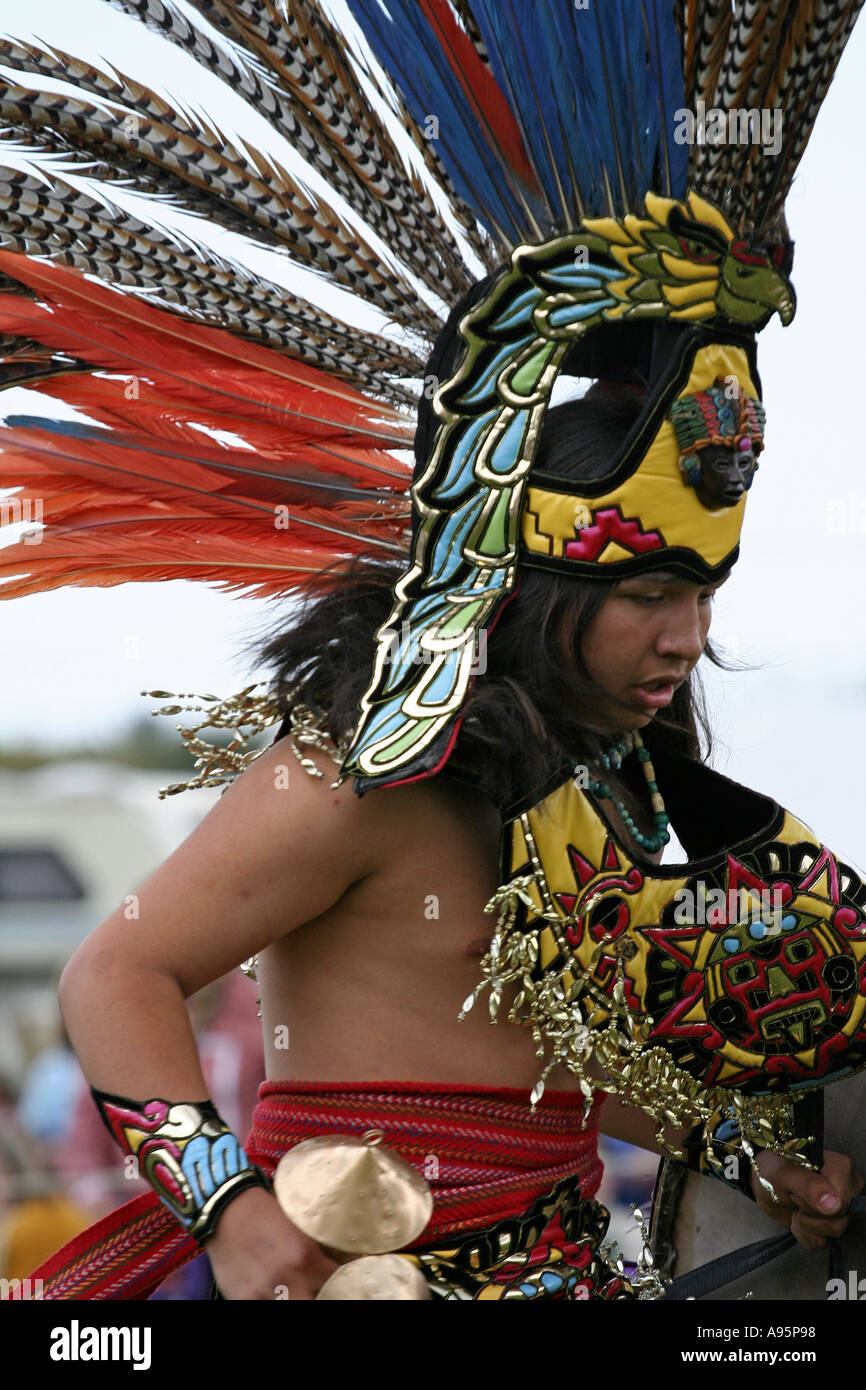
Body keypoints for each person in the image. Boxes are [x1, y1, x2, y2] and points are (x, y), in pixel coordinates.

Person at [0, 1, 863, 1303]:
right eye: (644, 590)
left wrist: (749, 1153)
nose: (685, 635)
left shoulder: (597, 791)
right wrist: (229, 1208)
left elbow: (545, 1069)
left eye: (704, 591)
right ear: (526, 582)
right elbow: (116, 966)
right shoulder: (357, 772)